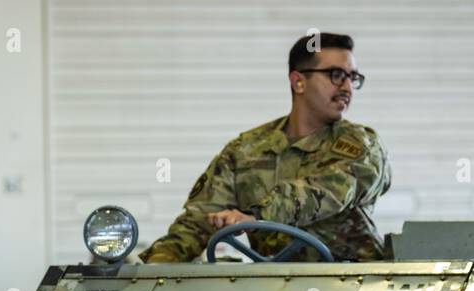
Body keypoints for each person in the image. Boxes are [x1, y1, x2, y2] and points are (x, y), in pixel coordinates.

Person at [141, 32, 392, 263]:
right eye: (337, 75)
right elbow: (195, 224)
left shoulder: (361, 145)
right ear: (298, 81)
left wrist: (257, 218)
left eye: (353, 78)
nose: (347, 87)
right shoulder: (246, 150)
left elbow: (332, 190)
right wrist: (155, 268)